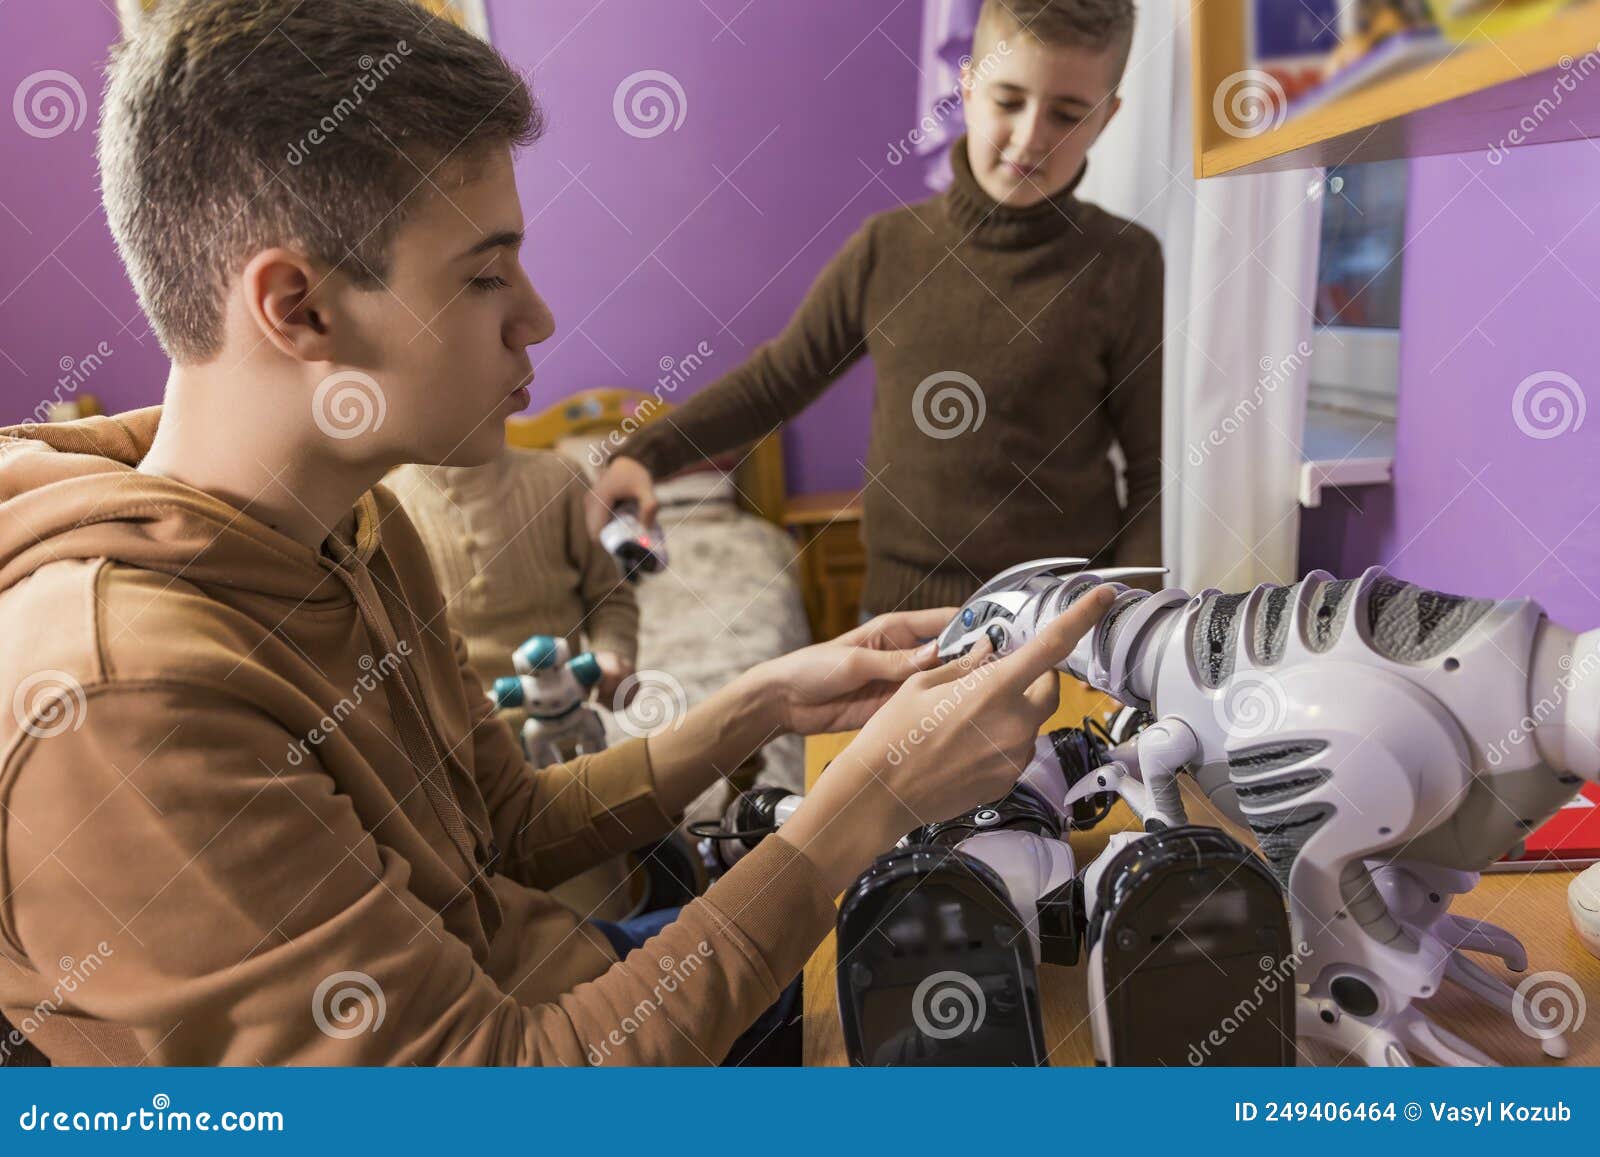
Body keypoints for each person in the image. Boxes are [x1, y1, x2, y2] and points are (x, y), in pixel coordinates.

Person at [0, 0, 1114, 1065]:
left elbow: (508, 822)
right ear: (299, 309)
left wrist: (763, 702)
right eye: (485, 273)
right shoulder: (124, 709)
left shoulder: (359, 521)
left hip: (570, 980)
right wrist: (864, 804)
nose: (535, 317)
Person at [591, 0, 1163, 615]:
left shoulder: (1125, 262)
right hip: (903, 620)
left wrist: (1128, 620)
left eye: (1069, 115)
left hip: (1063, 624)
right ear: (966, 87)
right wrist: (642, 453)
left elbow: (1153, 468)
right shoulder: (887, 248)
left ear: (1108, 119)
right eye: (1008, 101)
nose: (1031, 138)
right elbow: (776, 382)